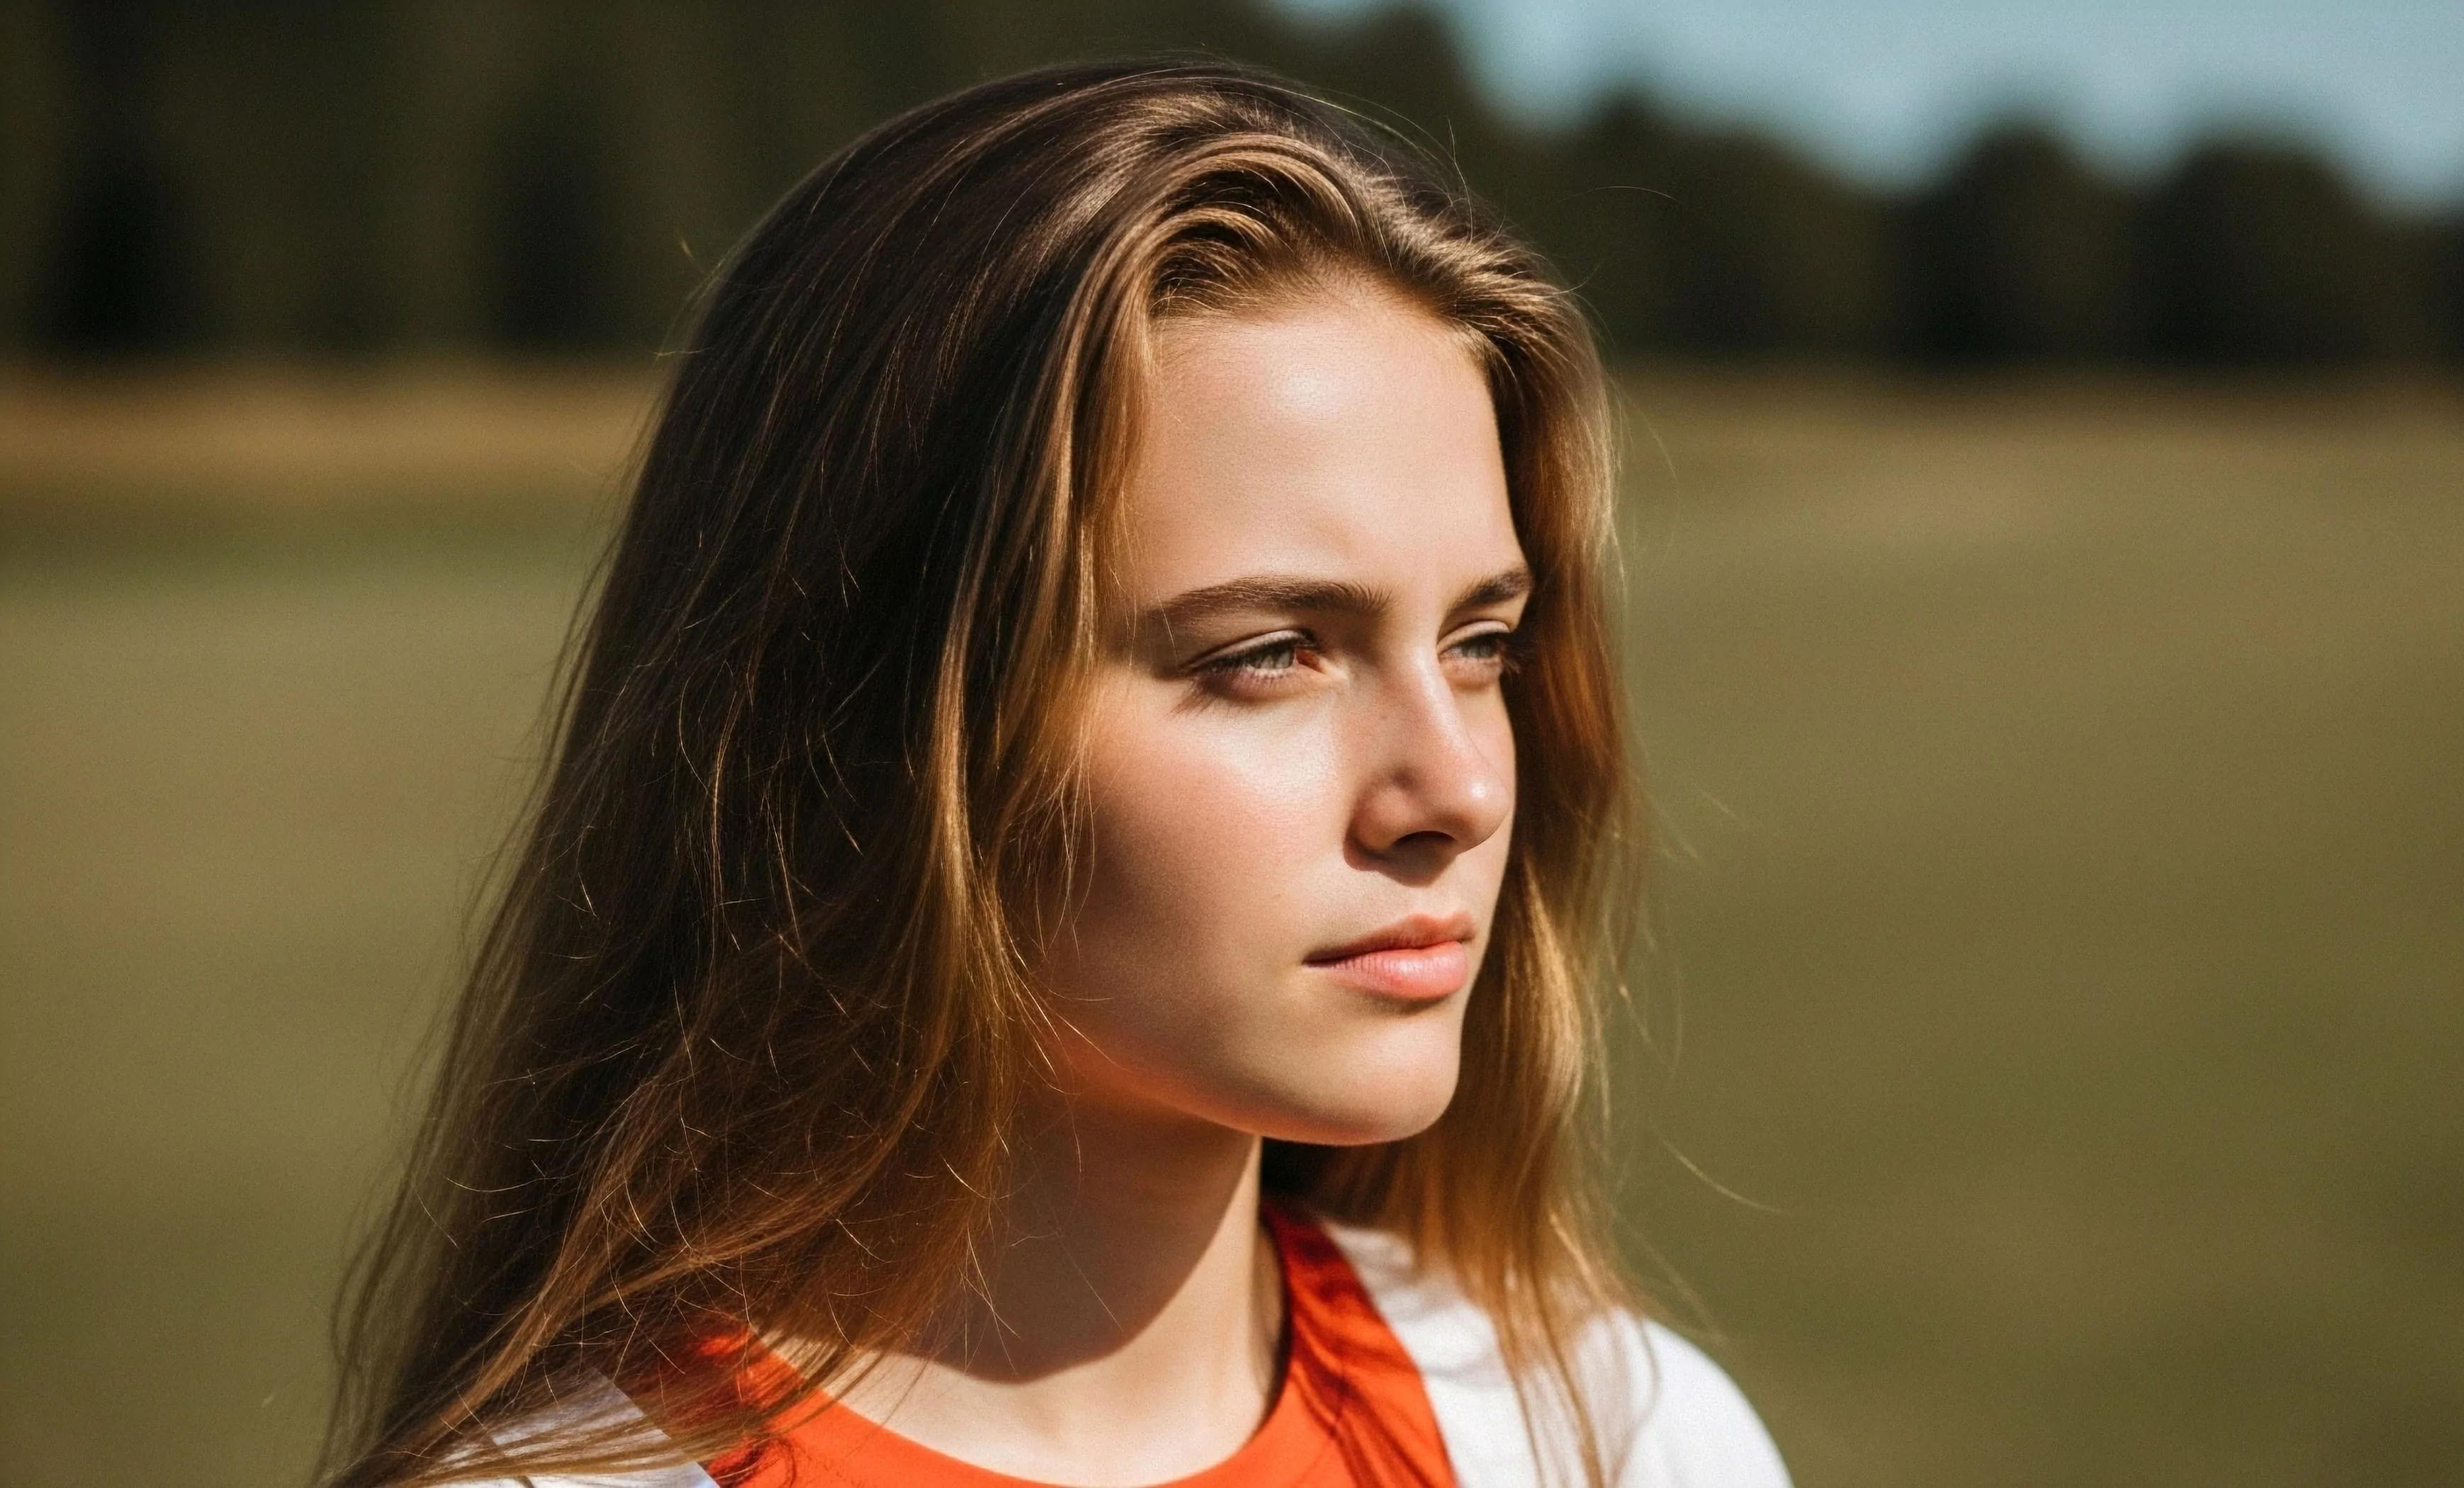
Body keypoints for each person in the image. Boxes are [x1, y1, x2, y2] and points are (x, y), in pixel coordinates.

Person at [324, 59, 1790, 1488]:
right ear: (871, 725)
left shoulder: (1611, 1437)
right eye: (1271, 652)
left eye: (1482, 641)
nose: (1457, 789)